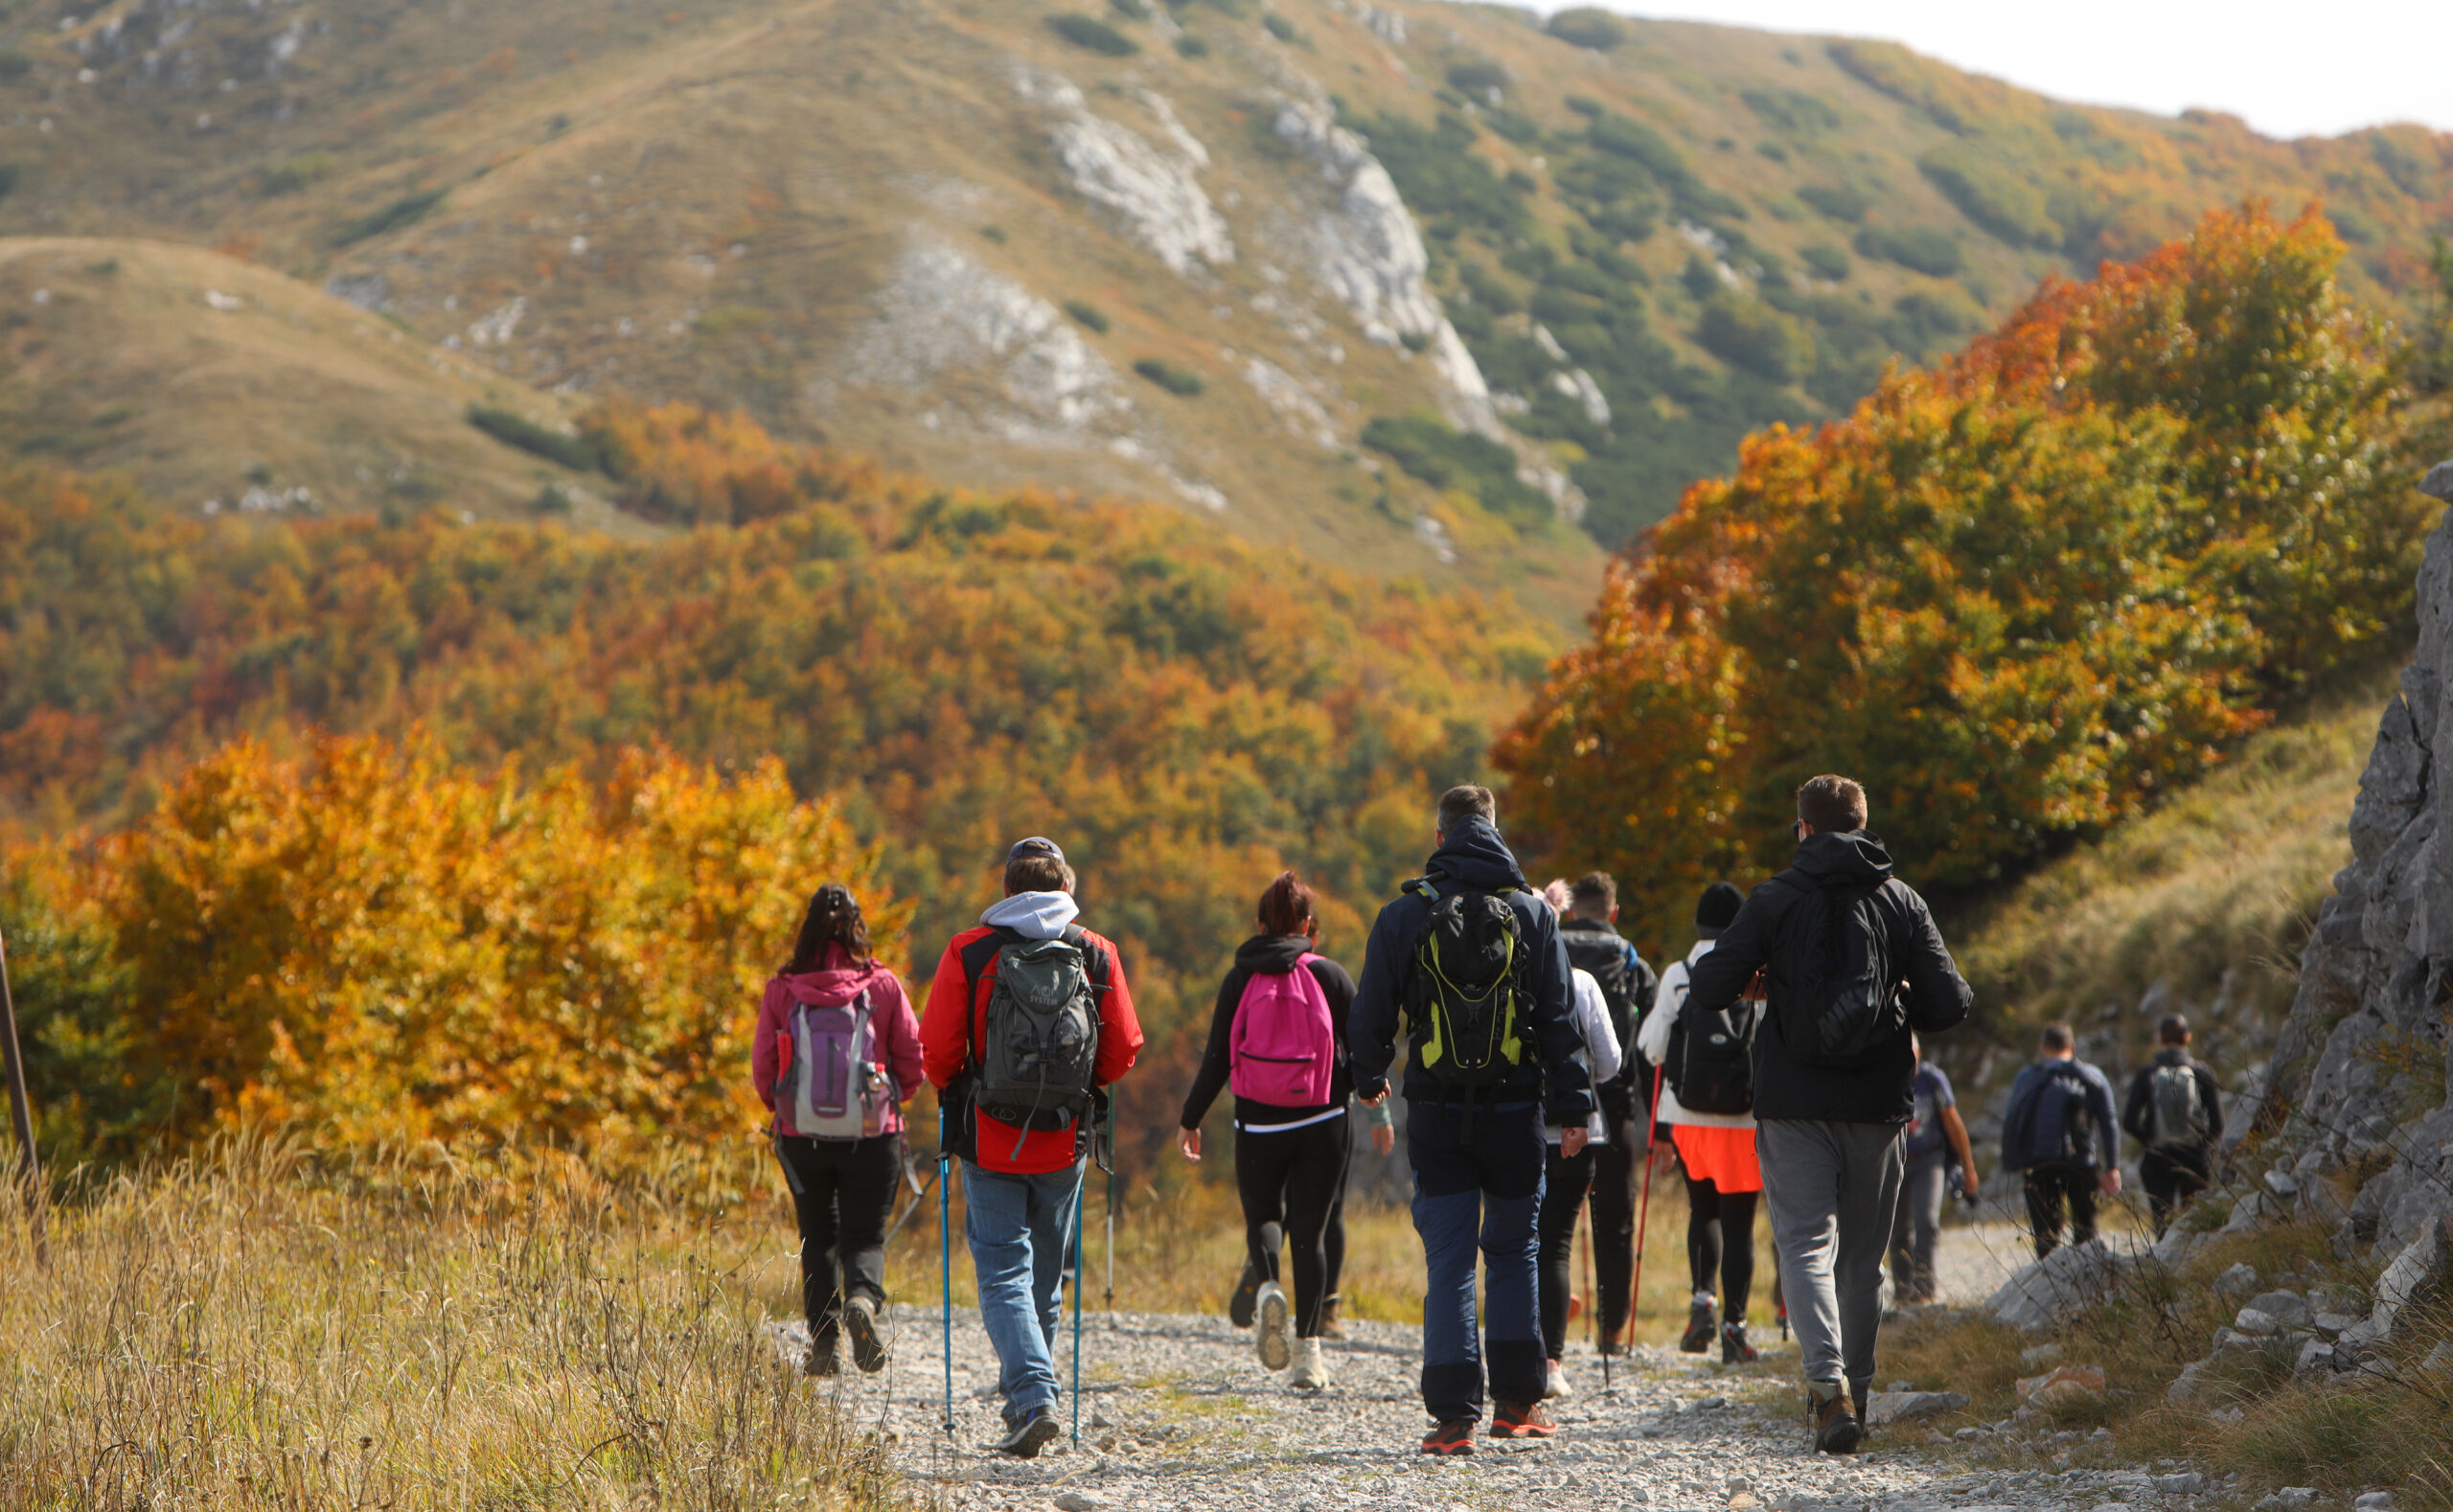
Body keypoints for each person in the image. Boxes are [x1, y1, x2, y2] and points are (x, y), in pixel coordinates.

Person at [1684, 775, 1973, 1455]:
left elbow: (1708, 986)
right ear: (1865, 826)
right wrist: (1899, 995)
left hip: (1792, 1106)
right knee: (1864, 1264)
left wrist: (1765, 980)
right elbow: (1951, 1004)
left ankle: (1827, 1392)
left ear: (1803, 828)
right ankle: (1861, 1395)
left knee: (1805, 1246)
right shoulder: (1901, 900)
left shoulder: (1775, 899)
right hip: (1878, 1105)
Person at [1350, 785, 1593, 1456]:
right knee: (1515, 1251)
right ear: (1493, 831)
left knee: (1450, 1261)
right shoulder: (1533, 915)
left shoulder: (1404, 916)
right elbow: (1559, 1020)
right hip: (1517, 1112)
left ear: (1440, 840)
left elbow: (1370, 1015)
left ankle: (1453, 1419)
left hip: (1434, 1111)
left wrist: (1370, 1080)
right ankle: (1519, 1405)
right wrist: (1573, 1108)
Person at [921, 837, 1144, 1458]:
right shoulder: (1097, 953)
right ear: (1066, 888)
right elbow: (1123, 1049)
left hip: (990, 1135)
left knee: (1002, 1272)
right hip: (1064, 1138)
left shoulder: (971, 952)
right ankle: (1030, 1401)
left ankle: (1031, 1395)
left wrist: (956, 1088)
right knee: (1045, 1278)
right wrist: (1081, 1087)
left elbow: (936, 1052)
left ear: (1007, 890)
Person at [1180, 871, 1387, 1390]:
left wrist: (1191, 1117)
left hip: (1258, 1120)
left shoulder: (1240, 979)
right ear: (1308, 925)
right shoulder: (1329, 975)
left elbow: (1216, 1058)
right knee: (1311, 1232)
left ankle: (1270, 1284)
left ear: (1259, 924)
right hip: (1321, 1119)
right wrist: (1368, 1087)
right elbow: (1364, 1037)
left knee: (1264, 1218)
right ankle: (1309, 1354)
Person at [754, 884, 926, 1377]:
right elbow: (913, 1058)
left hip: (801, 1133)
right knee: (865, 1236)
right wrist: (894, 1101)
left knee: (817, 1236)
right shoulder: (884, 986)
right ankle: (863, 1302)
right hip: (872, 1132)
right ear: (858, 929)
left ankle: (825, 1345)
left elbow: (764, 1065)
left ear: (806, 929)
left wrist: (783, 1108)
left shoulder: (783, 989)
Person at [1639, 880, 1764, 1365]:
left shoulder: (1679, 972)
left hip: (1687, 1117)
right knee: (1739, 1223)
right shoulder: (1758, 972)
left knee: (1702, 1211)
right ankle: (1735, 1329)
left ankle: (1701, 1307)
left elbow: (1651, 1047)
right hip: (1745, 1120)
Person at [1552, 871, 1657, 1360]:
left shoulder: (1550, 948)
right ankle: (1612, 1331)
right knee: (1614, 1220)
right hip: (1615, 1109)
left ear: (1572, 909)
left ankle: (1551, 1314)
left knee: (1552, 1221)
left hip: (1552, 1107)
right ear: (1613, 912)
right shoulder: (1633, 961)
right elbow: (1652, 1050)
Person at [1533, 881, 1624, 1400]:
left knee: (1517, 1244)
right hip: (1576, 1133)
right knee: (1557, 1247)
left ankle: (1513, 1353)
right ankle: (1552, 1362)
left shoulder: (1511, 978)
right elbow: (1609, 1065)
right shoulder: (1582, 981)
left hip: (1517, 1130)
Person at [2000, 1023, 2121, 1260]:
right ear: (2072, 1047)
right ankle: (2089, 1287)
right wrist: (2112, 1166)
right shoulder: (2093, 1076)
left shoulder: (2027, 1077)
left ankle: (2051, 1289)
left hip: (2039, 1164)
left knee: (2046, 1236)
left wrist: (2013, 1160)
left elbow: (2012, 1119)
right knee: (2086, 1233)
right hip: (2082, 1163)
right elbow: (2109, 1122)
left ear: (2043, 1047)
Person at [1888, 1033, 1979, 1307]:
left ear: (1919, 1053)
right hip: (1897, 1162)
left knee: (1926, 1221)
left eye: (1911, 1054)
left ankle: (1924, 1287)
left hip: (1930, 1158)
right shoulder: (1886, 1080)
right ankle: (1903, 1291)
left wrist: (1969, 1169)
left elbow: (1954, 1123)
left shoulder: (1932, 1080)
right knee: (1897, 1228)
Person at [2121, 1014, 2225, 1236]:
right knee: (2196, 1222)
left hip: (2158, 1157)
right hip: (2194, 1157)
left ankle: (2163, 1264)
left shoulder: (2147, 1074)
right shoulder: (2202, 1072)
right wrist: (2202, 1146)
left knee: (2163, 1222)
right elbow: (2218, 1123)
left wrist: (2149, 1140)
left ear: (2160, 1038)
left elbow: (2129, 1121)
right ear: (2187, 1038)